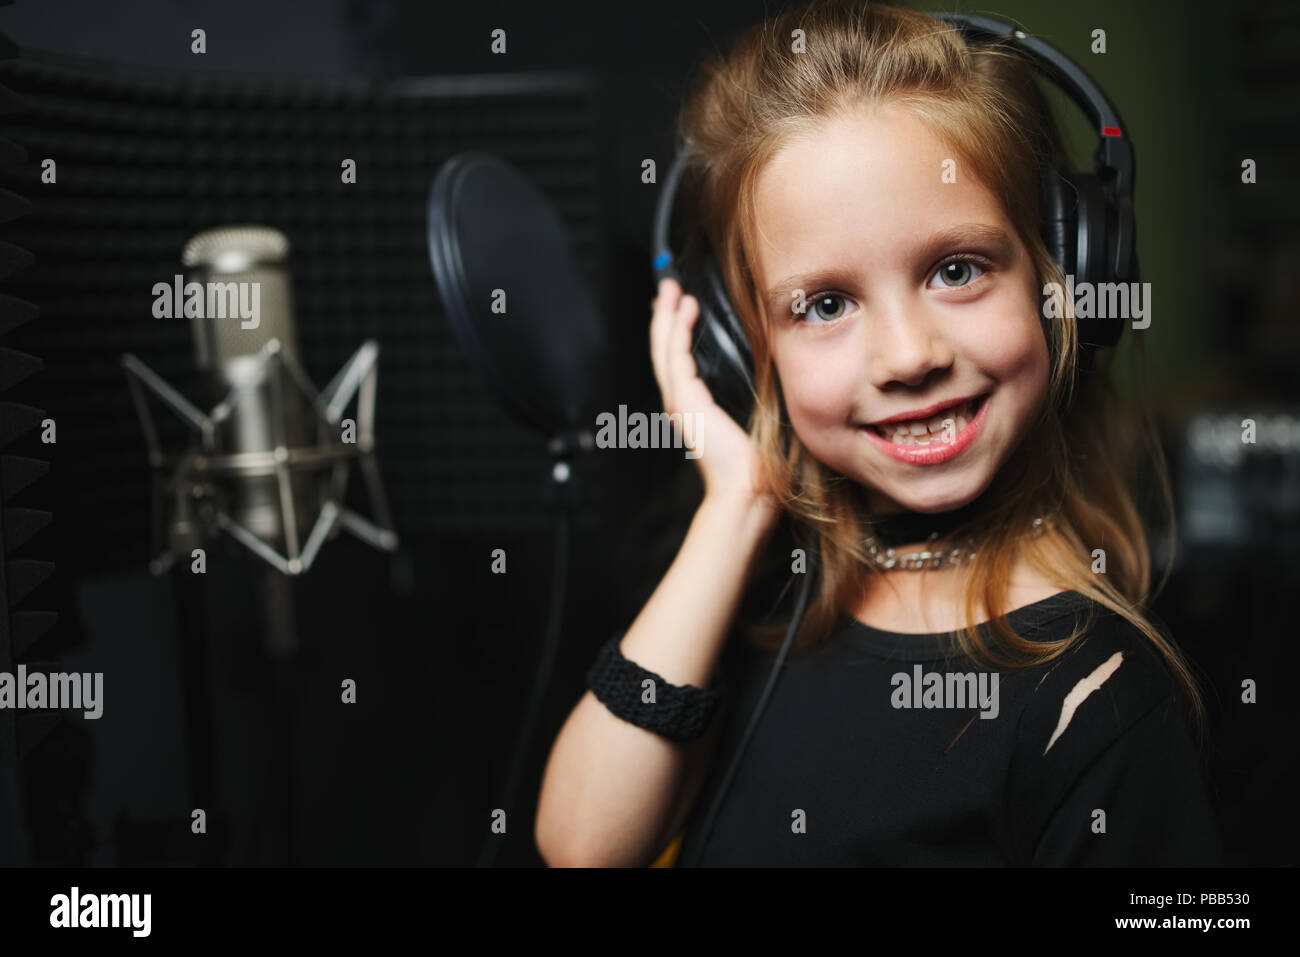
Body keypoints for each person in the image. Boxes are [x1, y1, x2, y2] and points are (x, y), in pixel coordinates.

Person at [534, 0, 1222, 867]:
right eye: (824, 304)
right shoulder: (768, 601)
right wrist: (736, 507)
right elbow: (583, 845)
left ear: (1068, 275)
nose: (906, 357)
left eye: (957, 269)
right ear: (738, 353)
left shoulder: (1100, 701)